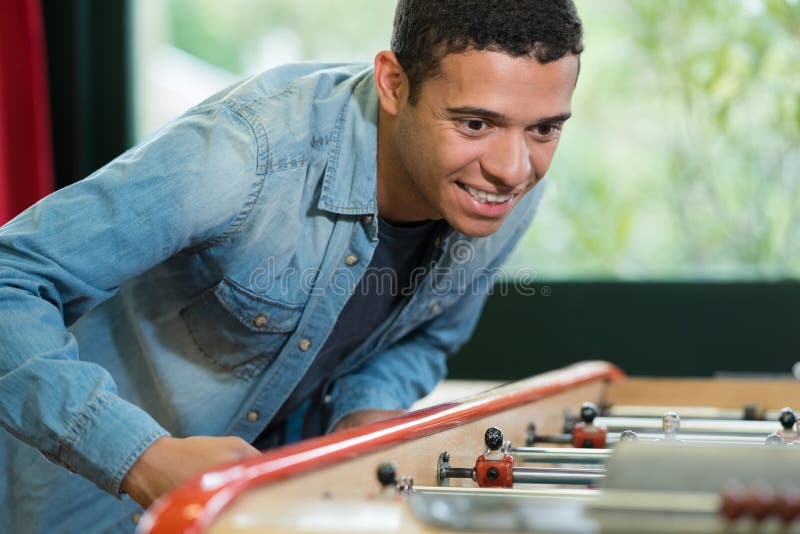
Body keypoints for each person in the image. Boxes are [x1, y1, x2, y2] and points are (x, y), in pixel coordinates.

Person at [0, 0, 583, 531]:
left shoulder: (503, 184)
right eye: (475, 124)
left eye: (544, 129)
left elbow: (427, 336)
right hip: (75, 506)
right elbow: (9, 281)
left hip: (279, 509)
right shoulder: (245, 154)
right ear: (394, 84)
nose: (512, 168)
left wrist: (364, 409)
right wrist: (141, 457)